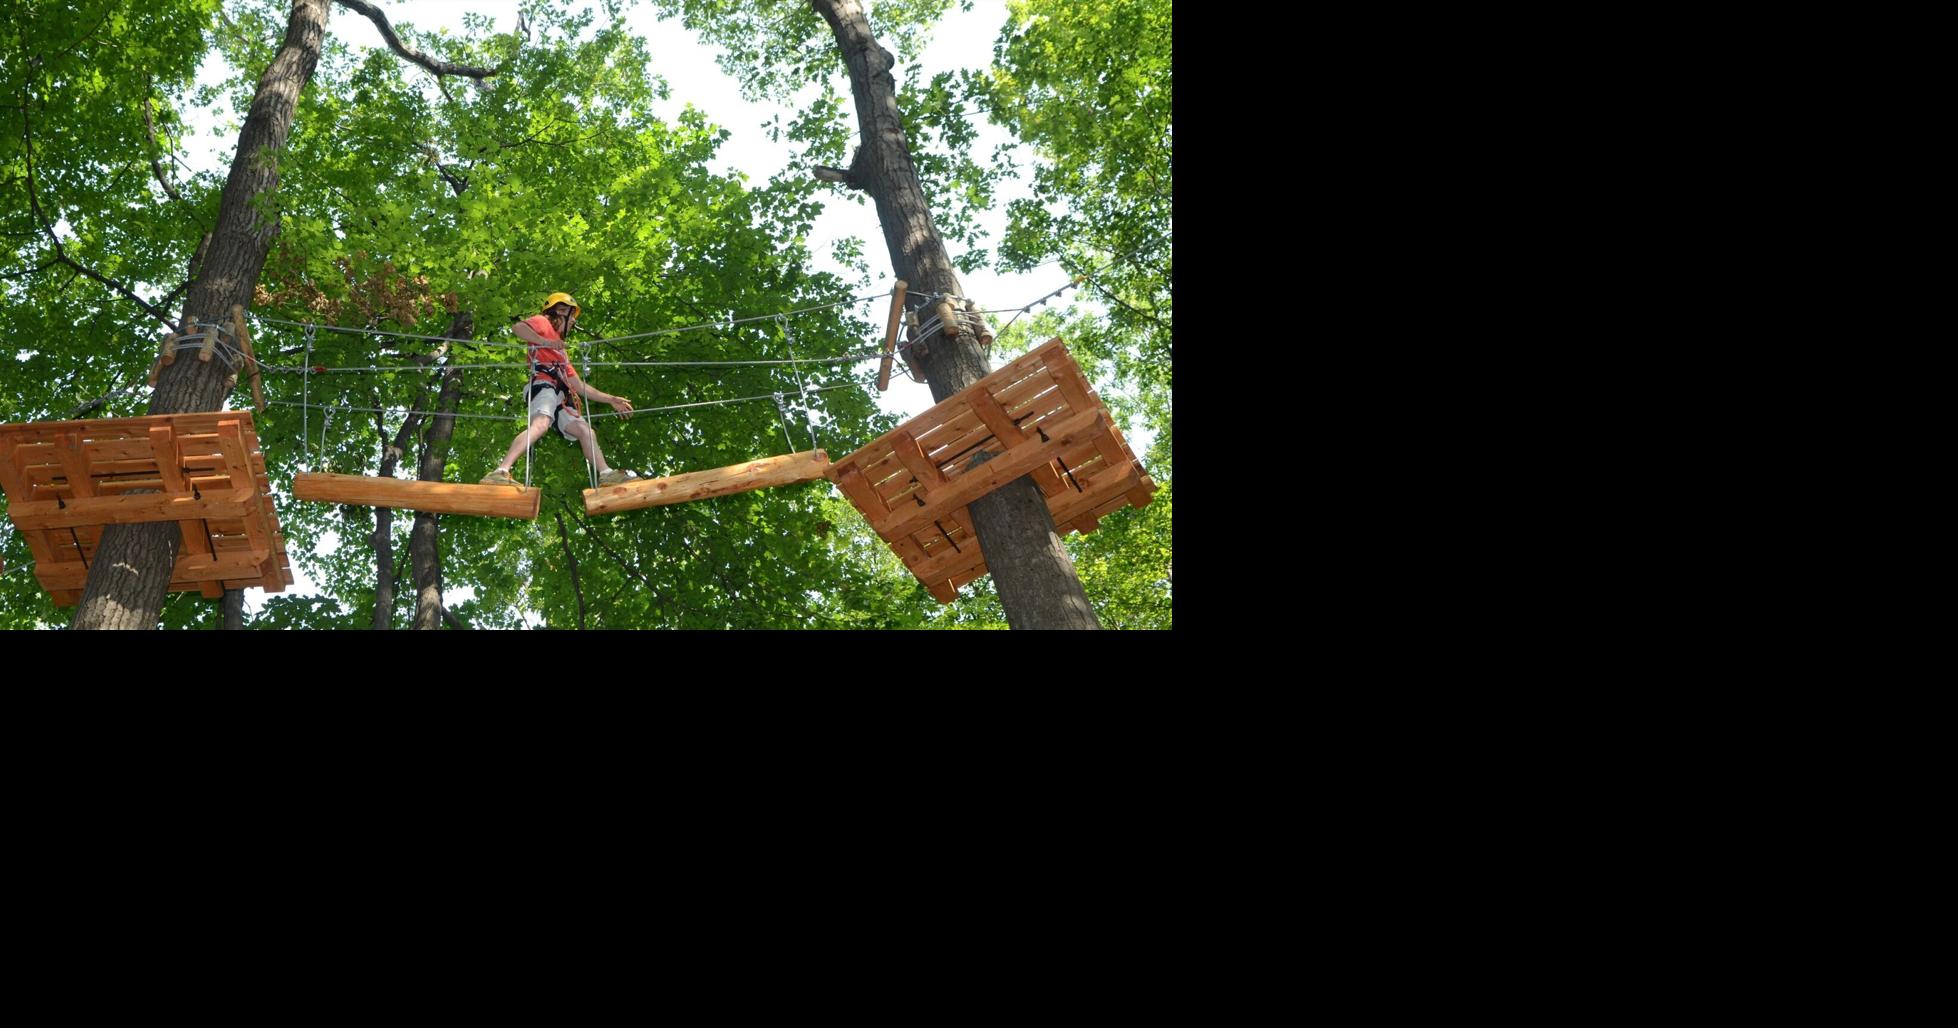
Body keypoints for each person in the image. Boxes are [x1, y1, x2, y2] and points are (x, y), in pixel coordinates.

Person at [480, 291, 638, 486]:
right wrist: (546, 342)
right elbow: (518, 328)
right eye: (571, 316)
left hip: (560, 396)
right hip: (543, 385)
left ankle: (607, 474)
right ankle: (500, 471)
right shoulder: (543, 322)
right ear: (559, 311)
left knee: (585, 431)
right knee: (540, 424)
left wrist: (611, 399)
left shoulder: (561, 352)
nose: (573, 322)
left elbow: (578, 385)